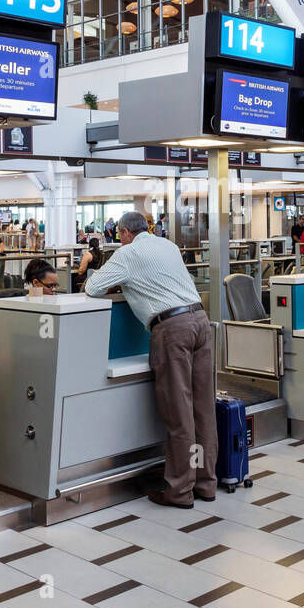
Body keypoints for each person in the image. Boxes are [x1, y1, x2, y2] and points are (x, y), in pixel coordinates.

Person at [83, 211, 214, 508]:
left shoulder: (127, 254)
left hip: (172, 330)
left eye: (119, 235)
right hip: (200, 321)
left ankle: (180, 491)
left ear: (125, 233)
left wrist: (120, 282)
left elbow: (92, 288)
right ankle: (206, 484)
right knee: (202, 409)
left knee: (179, 412)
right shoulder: (168, 245)